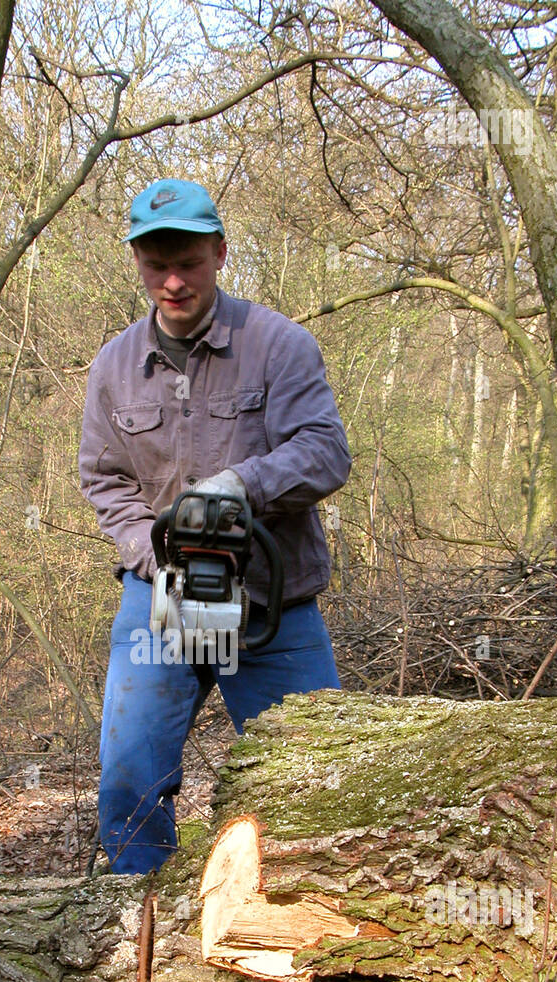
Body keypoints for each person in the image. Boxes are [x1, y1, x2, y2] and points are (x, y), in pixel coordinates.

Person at [79, 177, 351, 873]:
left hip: (270, 595)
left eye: (189, 263)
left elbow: (325, 452)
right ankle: (139, 929)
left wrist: (243, 485)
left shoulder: (278, 345)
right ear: (137, 262)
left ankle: (305, 922)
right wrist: (150, 551)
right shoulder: (115, 365)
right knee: (130, 781)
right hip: (166, 595)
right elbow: (104, 480)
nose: (172, 282)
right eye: (155, 265)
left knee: (316, 780)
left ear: (220, 253)